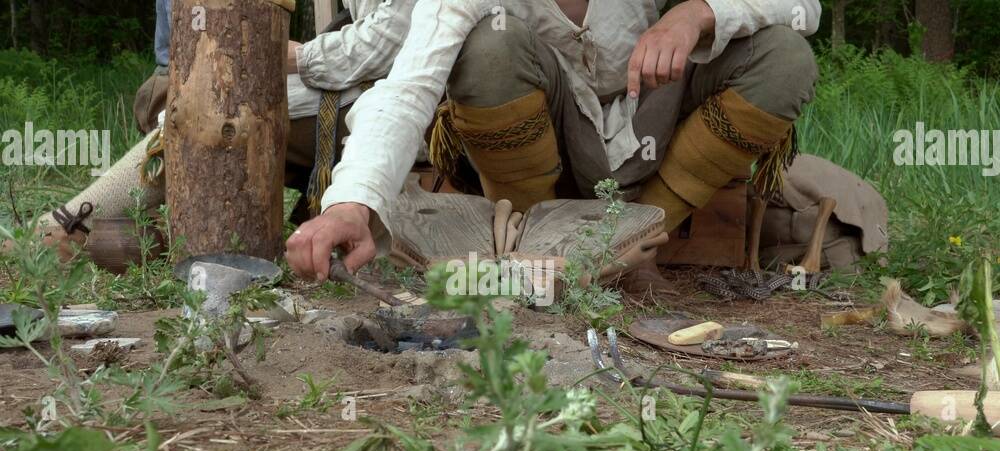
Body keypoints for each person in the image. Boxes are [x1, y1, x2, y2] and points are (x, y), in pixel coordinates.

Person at [285, 0, 821, 293]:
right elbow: (409, 87)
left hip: (651, 121)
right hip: (543, 141)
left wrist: (697, 14)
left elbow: (804, 8)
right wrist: (351, 204)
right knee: (489, 48)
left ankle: (636, 244)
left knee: (784, 58)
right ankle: (538, 251)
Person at [31, 0, 418, 261]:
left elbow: (390, 41)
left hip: (406, 91)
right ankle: (85, 223)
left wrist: (292, 55)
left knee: (225, 106)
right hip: (371, 79)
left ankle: (71, 225)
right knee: (201, 101)